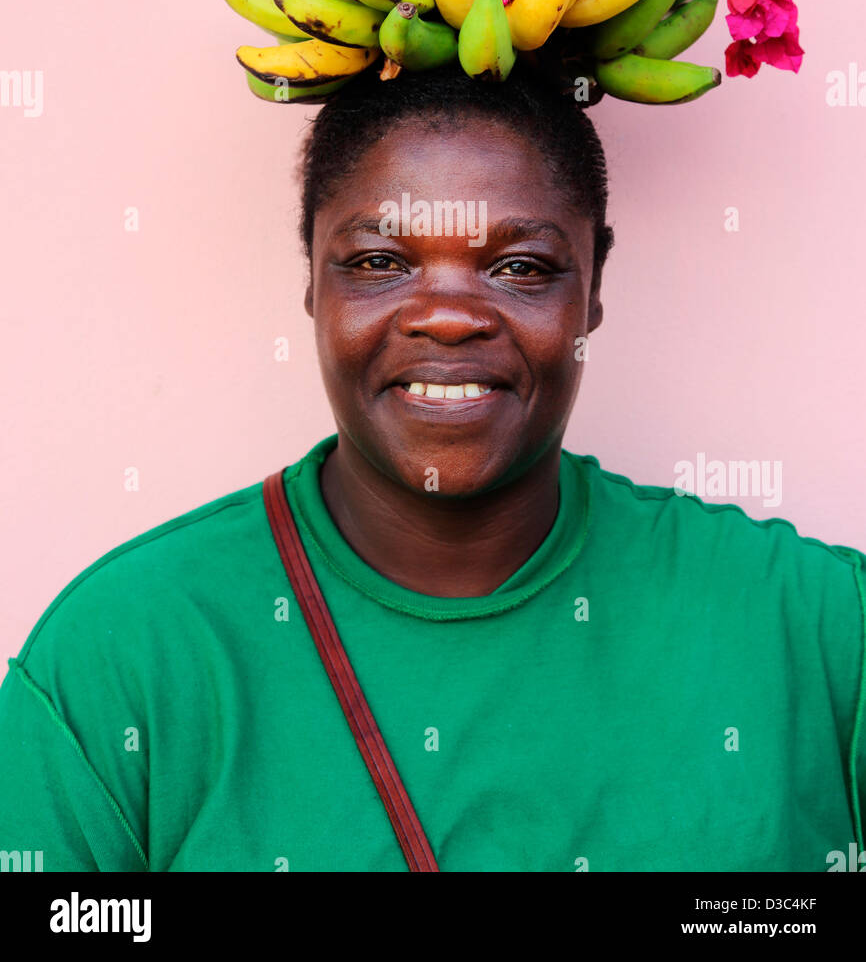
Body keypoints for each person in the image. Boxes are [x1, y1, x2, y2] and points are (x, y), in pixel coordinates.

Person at [0, 63, 863, 874]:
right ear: (312, 280)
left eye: (520, 266)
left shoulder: (822, 632)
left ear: (593, 287)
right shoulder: (120, 655)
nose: (449, 318)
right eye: (380, 261)